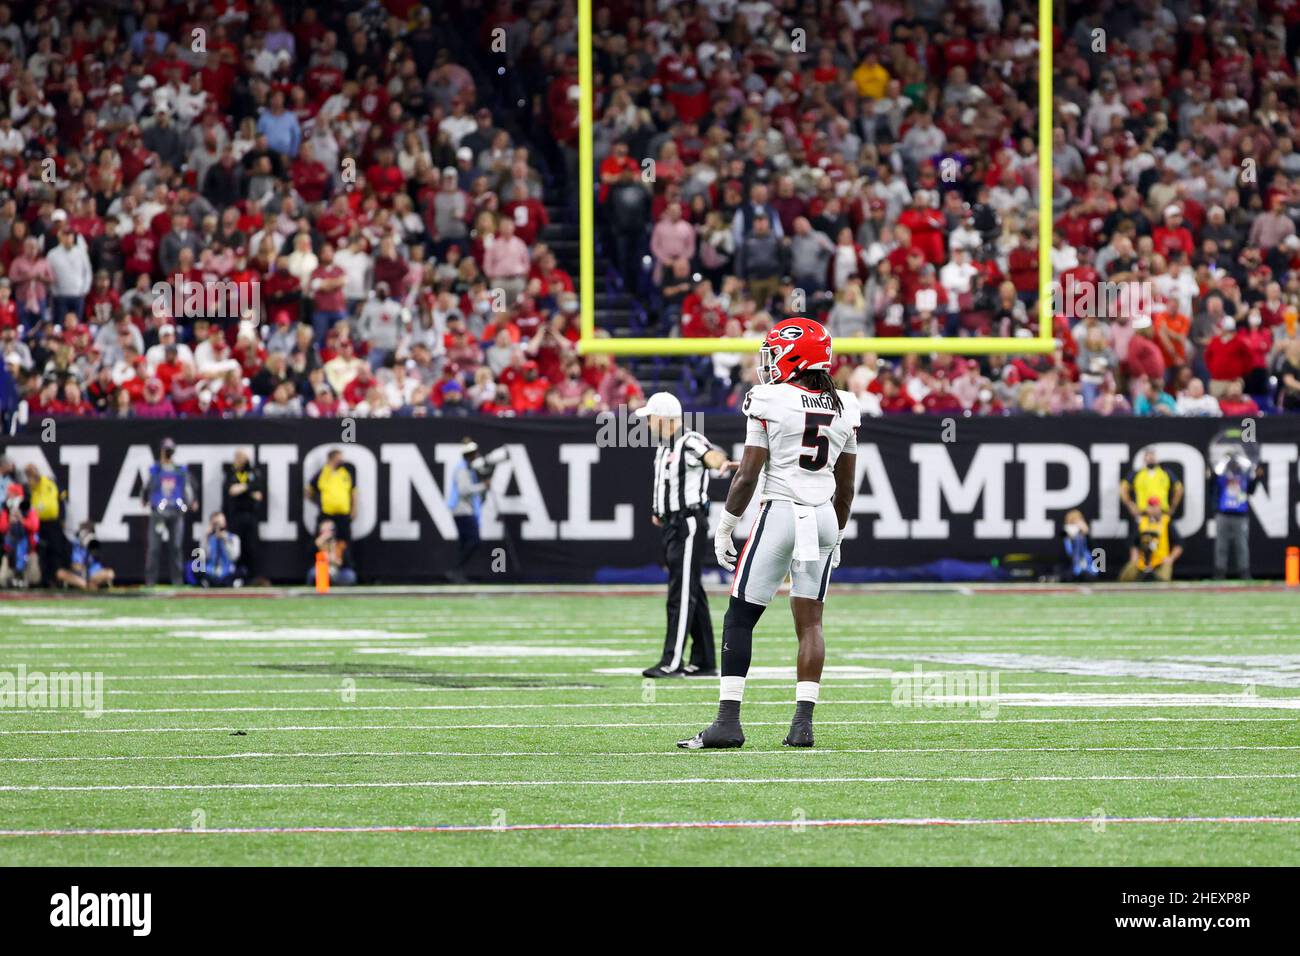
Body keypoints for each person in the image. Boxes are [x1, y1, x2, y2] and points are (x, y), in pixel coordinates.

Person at [680, 317, 861, 750]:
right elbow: (847, 486)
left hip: (781, 511)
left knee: (740, 615)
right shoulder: (845, 405)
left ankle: (728, 722)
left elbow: (746, 475)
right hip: (822, 516)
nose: (769, 361)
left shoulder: (768, 398)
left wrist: (725, 525)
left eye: (774, 351)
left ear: (794, 355)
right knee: (811, 622)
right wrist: (836, 533)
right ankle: (802, 724)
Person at [637, 390, 733, 679]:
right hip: (672, 524)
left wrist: (719, 462)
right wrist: (659, 510)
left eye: (651, 417)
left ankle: (672, 660)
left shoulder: (689, 440)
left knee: (680, 594)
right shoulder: (665, 447)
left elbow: (711, 455)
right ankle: (704, 660)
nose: (647, 423)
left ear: (664, 419)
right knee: (693, 591)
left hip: (688, 524)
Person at [141, 437, 196, 585]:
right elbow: (146, 488)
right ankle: (150, 581)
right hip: (158, 513)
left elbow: (188, 489)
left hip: (176, 512)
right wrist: (145, 499)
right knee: (154, 548)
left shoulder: (180, 471)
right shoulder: (155, 470)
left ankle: (177, 580)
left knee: (176, 547)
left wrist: (189, 502)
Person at [1210, 453, 1262, 580]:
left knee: (1241, 545)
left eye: (1236, 461)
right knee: (1221, 545)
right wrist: (1214, 471)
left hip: (1240, 515)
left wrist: (1257, 478)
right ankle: (1220, 572)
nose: (1234, 464)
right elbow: (1212, 485)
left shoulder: (1243, 476)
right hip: (1223, 514)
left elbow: (1251, 490)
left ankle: (1244, 572)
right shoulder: (1221, 477)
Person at [446, 438, 487, 583]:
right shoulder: (463, 469)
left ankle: (457, 571)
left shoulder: (466, 468)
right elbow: (464, 490)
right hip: (462, 509)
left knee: (465, 543)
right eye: (474, 454)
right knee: (473, 540)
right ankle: (456, 570)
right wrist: (483, 486)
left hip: (463, 509)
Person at [222, 449, 265, 584]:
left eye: (240, 457)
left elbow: (259, 494)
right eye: (236, 457)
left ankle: (253, 578)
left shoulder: (253, 473)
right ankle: (235, 577)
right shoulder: (231, 473)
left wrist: (242, 488)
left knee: (251, 547)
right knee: (235, 547)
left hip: (251, 516)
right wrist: (249, 489)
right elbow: (231, 490)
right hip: (235, 516)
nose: (237, 459)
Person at [23, 463, 68, 585]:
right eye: (28, 475)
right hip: (38, 524)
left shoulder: (50, 482)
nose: (30, 477)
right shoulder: (29, 488)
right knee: (41, 550)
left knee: (56, 550)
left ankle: (57, 578)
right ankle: (45, 579)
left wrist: (62, 518)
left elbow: (61, 500)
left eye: (32, 473)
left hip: (53, 523)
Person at [1119, 496, 1183, 582]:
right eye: (1151, 506)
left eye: (1155, 506)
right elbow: (1133, 542)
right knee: (1125, 577)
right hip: (1142, 561)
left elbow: (1179, 543)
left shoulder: (1166, 521)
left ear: (1160, 507)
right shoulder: (1141, 521)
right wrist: (1134, 557)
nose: (1153, 509)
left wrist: (1170, 558)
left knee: (1163, 578)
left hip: (1160, 561)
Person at [305, 448, 356, 544]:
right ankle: (322, 559)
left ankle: (342, 559)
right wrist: (318, 502)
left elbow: (353, 492)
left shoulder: (345, 473)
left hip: (343, 515)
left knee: (345, 543)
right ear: (331, 458)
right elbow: (308, 491)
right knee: (321, 542)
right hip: (326, 515)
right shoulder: (322, 473)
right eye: (339, 458)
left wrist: (354, 509)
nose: (342, 461)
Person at [1121, 448, 1183, 520]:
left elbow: (1179, 488)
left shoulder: (1166, 473)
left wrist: (1173, 506)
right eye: (1148, 455)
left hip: (1162, 514)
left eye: (1153, 455)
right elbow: (1123, 488)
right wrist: (1130, 505)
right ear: (1144, 458)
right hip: (1143, 514)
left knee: (1168, 530)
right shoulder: (1137, 473)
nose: (1151, 458)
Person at [57, 522, 115, 590]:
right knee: (60, 573)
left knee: (110, 573)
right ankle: (86, 586)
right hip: (78, 575)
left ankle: (90, 586)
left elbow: (99, 562)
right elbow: (74, 566)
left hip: (94, 574)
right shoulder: (74, 545)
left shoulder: (95, 543)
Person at [307, 518, 356, 587]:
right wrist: (319, 543)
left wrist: (337, 561)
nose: (327, 533)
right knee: (313, 573)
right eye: (324, 530)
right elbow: (309, 558)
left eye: (330, 530)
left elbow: (349, 564)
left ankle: (334, 583)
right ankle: (324, 583)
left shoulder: (340, 544)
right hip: (322, 571)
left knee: (350, 575)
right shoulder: (317, 543)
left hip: (337, 572)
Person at [198, 511, 242, 587]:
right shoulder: (208, 538)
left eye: (219, 524)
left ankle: (230, 582)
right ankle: (208, 582)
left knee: (242, 571)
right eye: (215, 524)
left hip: (227, 570)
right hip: (211, 570)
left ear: (224, 523)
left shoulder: (233, 538)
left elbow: (234, 557)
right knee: (196, 568)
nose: (217, 527)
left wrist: (226, 542)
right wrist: (206, 538)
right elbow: (202, 557)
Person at [1061, 509, 1096, 580]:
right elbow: (1066, 556)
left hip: (1088, 568)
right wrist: (1071, 539)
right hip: (1071, 569)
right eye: (1072, 522)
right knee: (1069, 576)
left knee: (1089, 576)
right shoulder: (1065, 537)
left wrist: (1086, 535)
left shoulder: (1086, 536)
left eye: (1077, 521)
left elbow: (1097, 552)